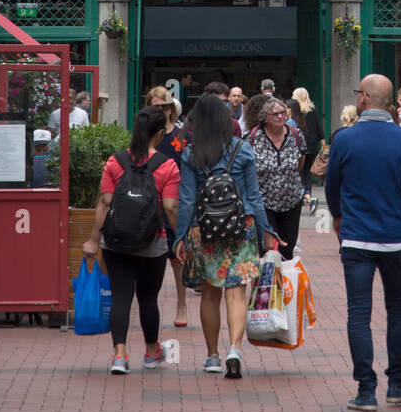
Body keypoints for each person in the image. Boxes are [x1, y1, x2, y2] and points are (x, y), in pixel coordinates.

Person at [325, 74, 401, 412]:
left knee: (359, 313)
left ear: (363, 100)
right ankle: (397, 383)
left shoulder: (344, 139)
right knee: (398, 310)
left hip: (356, 237)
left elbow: (331, 186)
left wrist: (338, 216)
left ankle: (366, 388)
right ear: (388, 103)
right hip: (396, 239)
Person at [173, 92, 278, 379]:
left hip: (205, 230)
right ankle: (234, 347)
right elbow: (255, 197)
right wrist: (266, 230)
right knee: (236, 293)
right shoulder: (242, 150)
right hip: (240, 229)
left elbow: (186, 199)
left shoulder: (191, 154)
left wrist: (180, 236)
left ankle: (212, 356)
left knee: (209, 294)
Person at [82, 105, 179, 374]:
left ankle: (119, 356)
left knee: (121, 298)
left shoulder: (115, 162)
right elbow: (171, 207)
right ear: (159, 133)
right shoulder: (167, 165)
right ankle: (151, 351)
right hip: (153, 242)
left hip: (115, 242)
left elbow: (104, 202)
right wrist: (181, 239)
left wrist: (92, 240)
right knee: (148, 299)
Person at [146, 85, 189, 328]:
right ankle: (149, 307)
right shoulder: (142, 136)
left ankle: (182, 304)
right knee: (150, 259)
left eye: (165, 107)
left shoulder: (183, 135)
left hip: (177, 203)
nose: (162, 112)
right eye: (156, 107)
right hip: (148, 204)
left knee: (177, 258)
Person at [250, 96, 306, 260]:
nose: (281, 117)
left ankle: (283, 284)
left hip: (292, 201)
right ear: (265, 117)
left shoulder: (295, 134)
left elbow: (300, 162)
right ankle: (267, 284)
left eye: (283, 113)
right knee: (269, 250)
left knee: (287, 250)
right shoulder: (253, 137)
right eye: (275, 114)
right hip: (264, 203)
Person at [292, 86, 324, 213]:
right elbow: (319, 128)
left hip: (299, 143)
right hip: (311, 144)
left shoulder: (295, 112)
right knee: (308, 172)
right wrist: (323, 143)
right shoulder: (313, 110)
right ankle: (308, 195)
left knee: (299, 170)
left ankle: (302, 196)